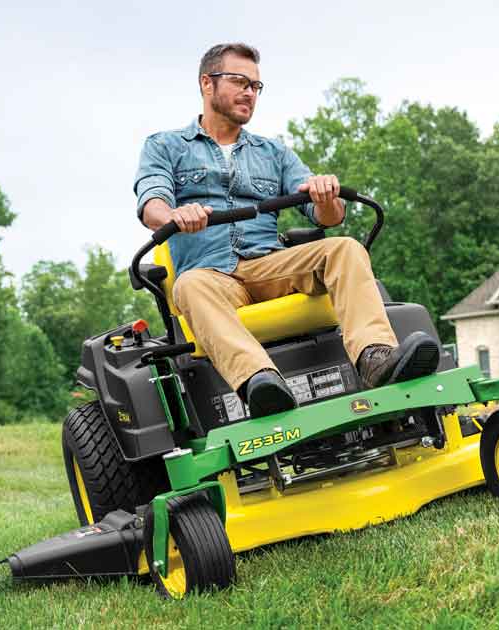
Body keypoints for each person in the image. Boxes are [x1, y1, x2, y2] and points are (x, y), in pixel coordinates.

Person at [134, 42, 439, 418]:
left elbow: (328, 216)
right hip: (211, 276)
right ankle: (261, 384)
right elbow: (152, 204)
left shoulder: (274, 153)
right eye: (239, 81)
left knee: (343, 248)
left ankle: (375, 358)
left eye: (256, 86)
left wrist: (325, 194)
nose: (249, 92)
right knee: (189, 286)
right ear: (206, 84)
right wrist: (175, 215)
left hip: (269, 265)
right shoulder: (165, 146)